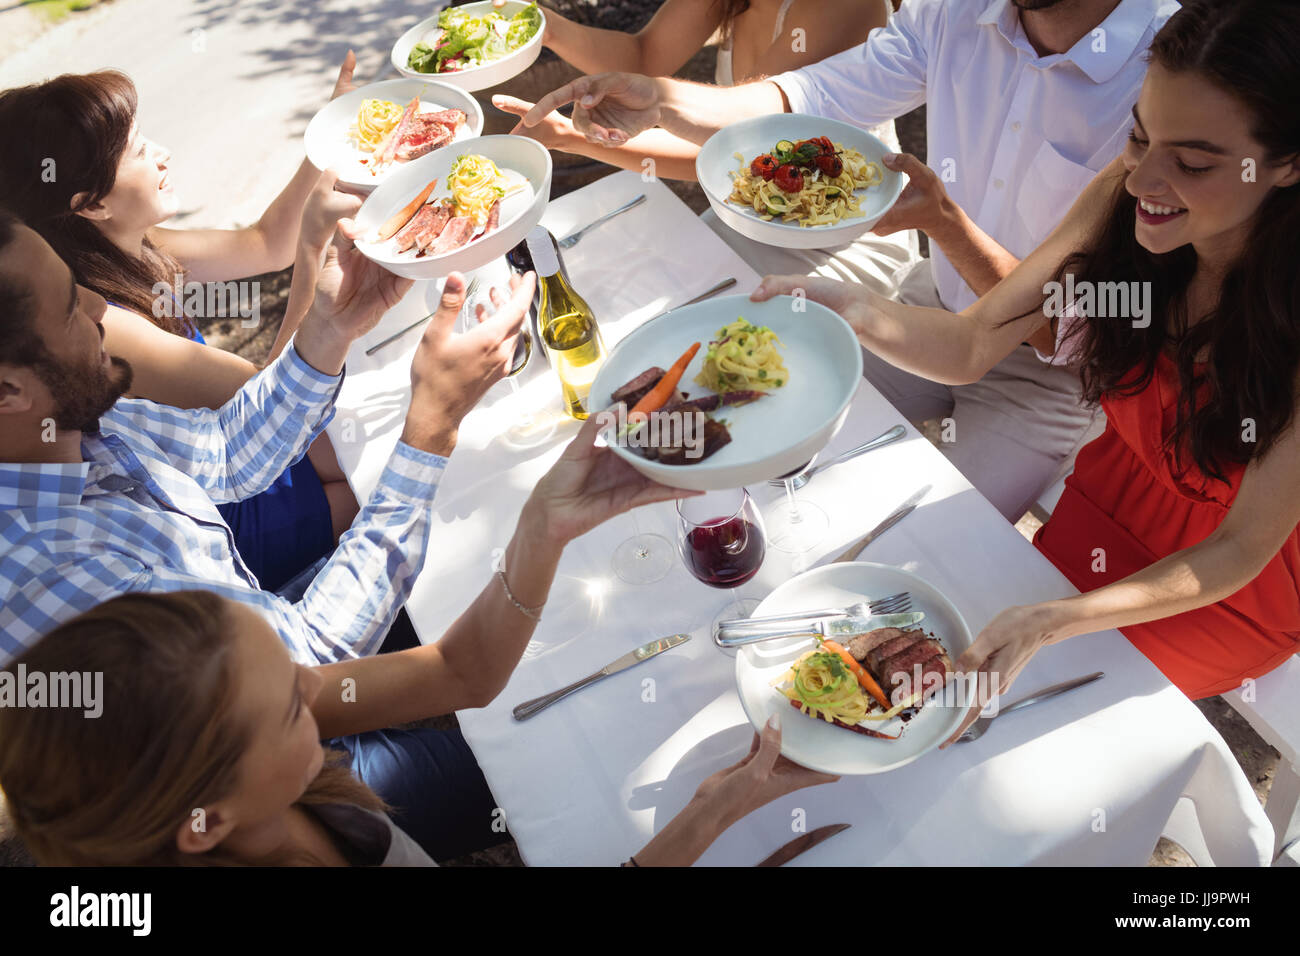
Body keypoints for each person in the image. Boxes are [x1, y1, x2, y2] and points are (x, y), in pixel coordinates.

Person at [745, 0, 1300, 735]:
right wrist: (848, 308)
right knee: (926, 682)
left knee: (1015, 728)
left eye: (1192, 162)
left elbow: (1237, 551)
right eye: (1139, 136)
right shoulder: (1123, 191)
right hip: (1109, 499)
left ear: (1287, 164)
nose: (1142, 181)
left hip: (1224, 583)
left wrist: (1056, 619)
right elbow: (973, 343)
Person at [0, 207, 538, 855]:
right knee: (532, 749)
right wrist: (429, 433)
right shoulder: (48, 569)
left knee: (487, 600)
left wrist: (329, 328)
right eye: (68, 306)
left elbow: (225, 450)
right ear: (8, 391)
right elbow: (304, 669)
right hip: (274, 776)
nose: (98, 307)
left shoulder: (61, 428)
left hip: (276, 697)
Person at [521, 0, 1182, 521]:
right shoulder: (958, 12)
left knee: (925, 546)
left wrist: (946, 226)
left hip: (1050, 377)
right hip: (933, 304)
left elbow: (1063, 329)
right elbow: (814, 95)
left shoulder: (1170, 77)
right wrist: (665, 100)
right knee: (762, 442)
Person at [0, 586, 835, 866]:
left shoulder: (272, 799)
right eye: (291, 705)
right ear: (204, 821)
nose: (314, 687)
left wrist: (548, 519)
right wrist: (709, 818)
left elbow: (463, 672)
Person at [0, 61, 364, 590]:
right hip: (225, 510)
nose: (162, 153)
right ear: (92, 205)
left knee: (356, 443)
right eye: (140, 151)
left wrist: (327, 140)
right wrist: (313, 259)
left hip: (233, 452)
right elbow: (266, 396)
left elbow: (266, 243)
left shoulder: (131, 251)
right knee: (367, 484)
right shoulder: (102, 318)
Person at [495, 0, 915, 298]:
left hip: (840, 239)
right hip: (750, 212)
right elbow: (643, 57)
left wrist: (571, 136)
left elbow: (734, 160)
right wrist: (544, 26)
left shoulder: (840, 6)